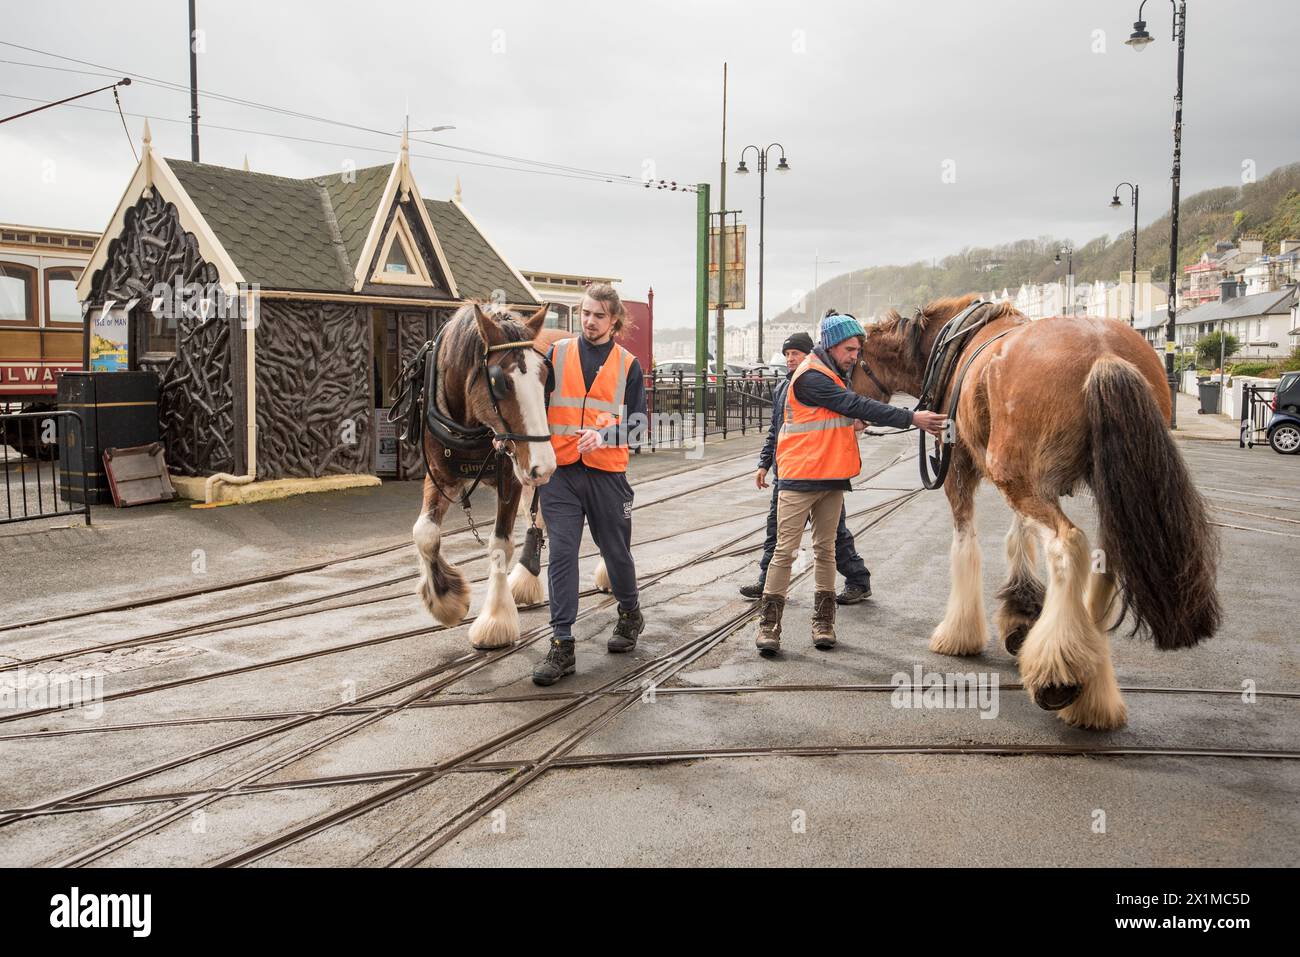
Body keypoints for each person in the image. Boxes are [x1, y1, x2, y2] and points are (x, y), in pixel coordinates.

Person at [756, 313, 947, 656]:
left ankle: (824, 624)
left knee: (825, 551)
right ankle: (769, 626)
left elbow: (838, 412)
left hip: (830, 477)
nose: (855, 357)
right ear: (830, 345)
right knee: (785, 552)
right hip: (800, 478)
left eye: (858, 350)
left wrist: (850, 422)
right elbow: (851, 402)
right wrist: (912, 418)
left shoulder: (832, 373)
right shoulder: (812, 376)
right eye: (850, 349)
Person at [533, 283, 646, 686]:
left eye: (599, 315)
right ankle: (562, 644)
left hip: (607, 474)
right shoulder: (556, 355)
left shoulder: (628, 364)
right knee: (562, 553)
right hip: (561, 473)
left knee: (615, 551)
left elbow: (640, 425)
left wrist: (606, 436)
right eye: (585, 313)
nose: (590, 321)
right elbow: (532, 403)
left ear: (614, 319)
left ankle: (630, 613)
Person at [740, 330, 873, 605]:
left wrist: (857, 421)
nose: (790, 359)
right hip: (788, 474)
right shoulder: (782, 387)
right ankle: (767, 581)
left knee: (834, 536)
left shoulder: (824, 383)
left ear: (808, 355)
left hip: (823, 473)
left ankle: (858, 579)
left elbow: (850, 409)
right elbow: (776, 430)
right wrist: (764, 463)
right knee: (776, 532)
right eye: (787, 354)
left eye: (796, 354)